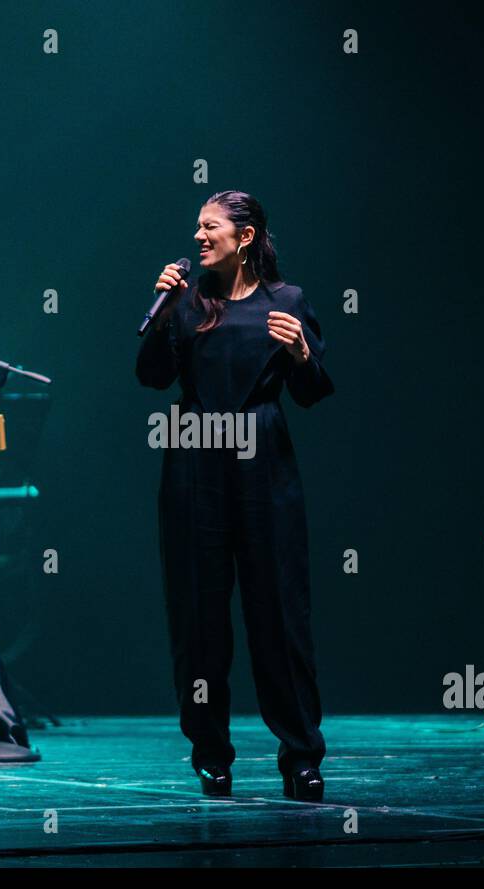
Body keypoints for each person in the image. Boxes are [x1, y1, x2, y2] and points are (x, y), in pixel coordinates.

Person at [136, 190, 335, 800]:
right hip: (195, 459)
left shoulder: (287, 301)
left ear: (245, 236)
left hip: (262, 459)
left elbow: (313, 392)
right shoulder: (185, 301)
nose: (198, 237)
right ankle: (210, 753)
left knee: (280, 613)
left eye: (211, 227)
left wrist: (302, 353)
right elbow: (151, 376)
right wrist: (160, 311)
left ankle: (301, 755)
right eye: (197, 227)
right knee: (198, 616)